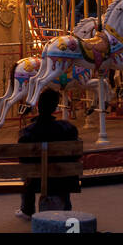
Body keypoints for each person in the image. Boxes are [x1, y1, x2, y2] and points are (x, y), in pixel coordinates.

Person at [15, 87, 79, 221]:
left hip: (35, 181)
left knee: (27, 173)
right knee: (63, 171)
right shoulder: (68, 129)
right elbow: (76, 156)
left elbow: (22, 159)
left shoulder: (27, 132)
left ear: (38, 106)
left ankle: (27, 209)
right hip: (63, 178)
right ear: (55, 107)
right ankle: (65, 206)